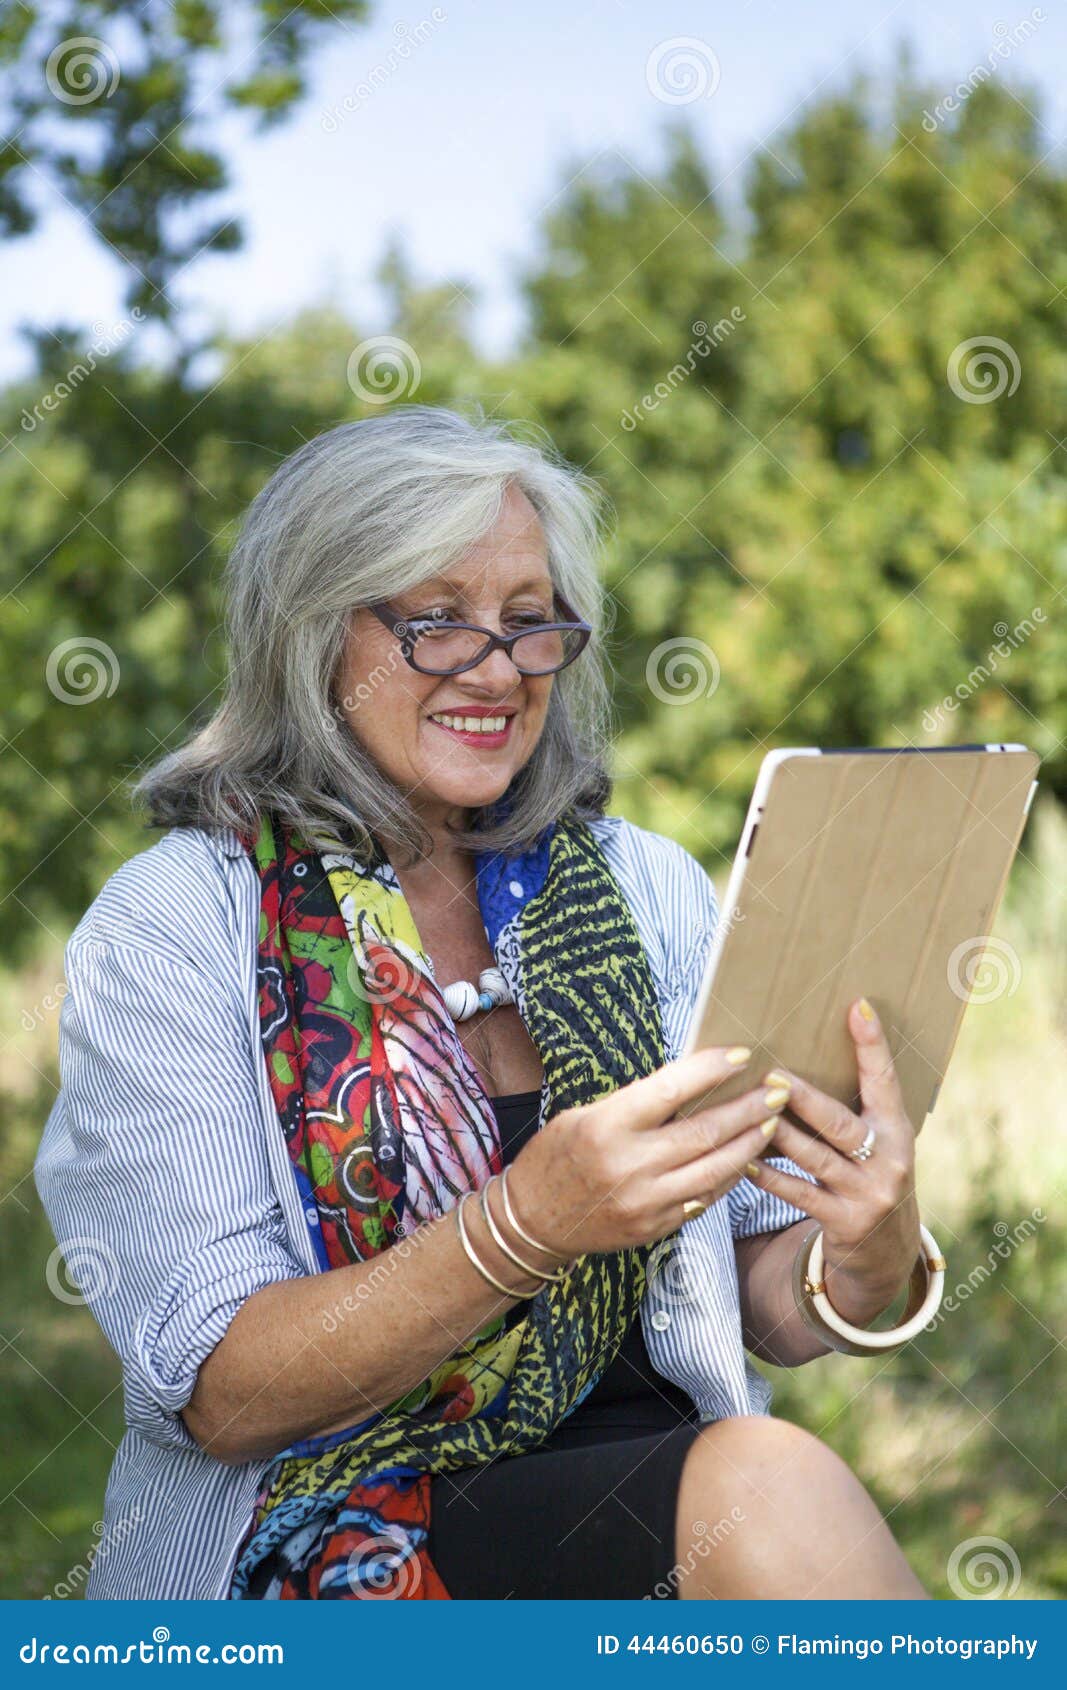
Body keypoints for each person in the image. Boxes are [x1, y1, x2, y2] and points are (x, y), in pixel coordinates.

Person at [36, 405, 932, 1600]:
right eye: (437, 621)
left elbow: (757, 1299)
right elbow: (223, 1395)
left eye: (526, 623)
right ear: (314, 633)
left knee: (761, 1484)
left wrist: (863, 1253)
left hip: (665, 1505)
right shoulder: (173, 926)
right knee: (770, 1486)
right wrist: (527, 1221)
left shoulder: (639, 885)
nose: (500, 669)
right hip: (328, 1535)